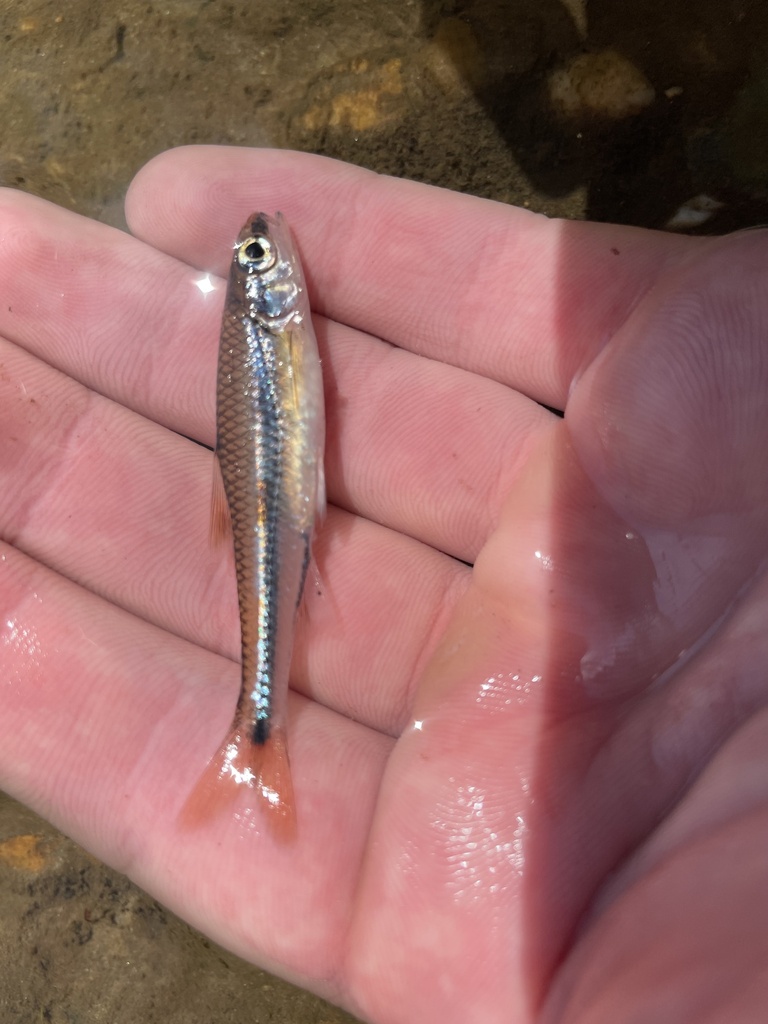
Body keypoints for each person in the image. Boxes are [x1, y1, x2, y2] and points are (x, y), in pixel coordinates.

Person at [0, 146, 766, 1024]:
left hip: (275, 500)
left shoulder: (268, 322)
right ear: (268, 295)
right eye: (259, 258)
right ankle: (260, 728)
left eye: (259, 256)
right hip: (273, 504)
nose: (267, 249)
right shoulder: (263, 321)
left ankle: (258, 727)